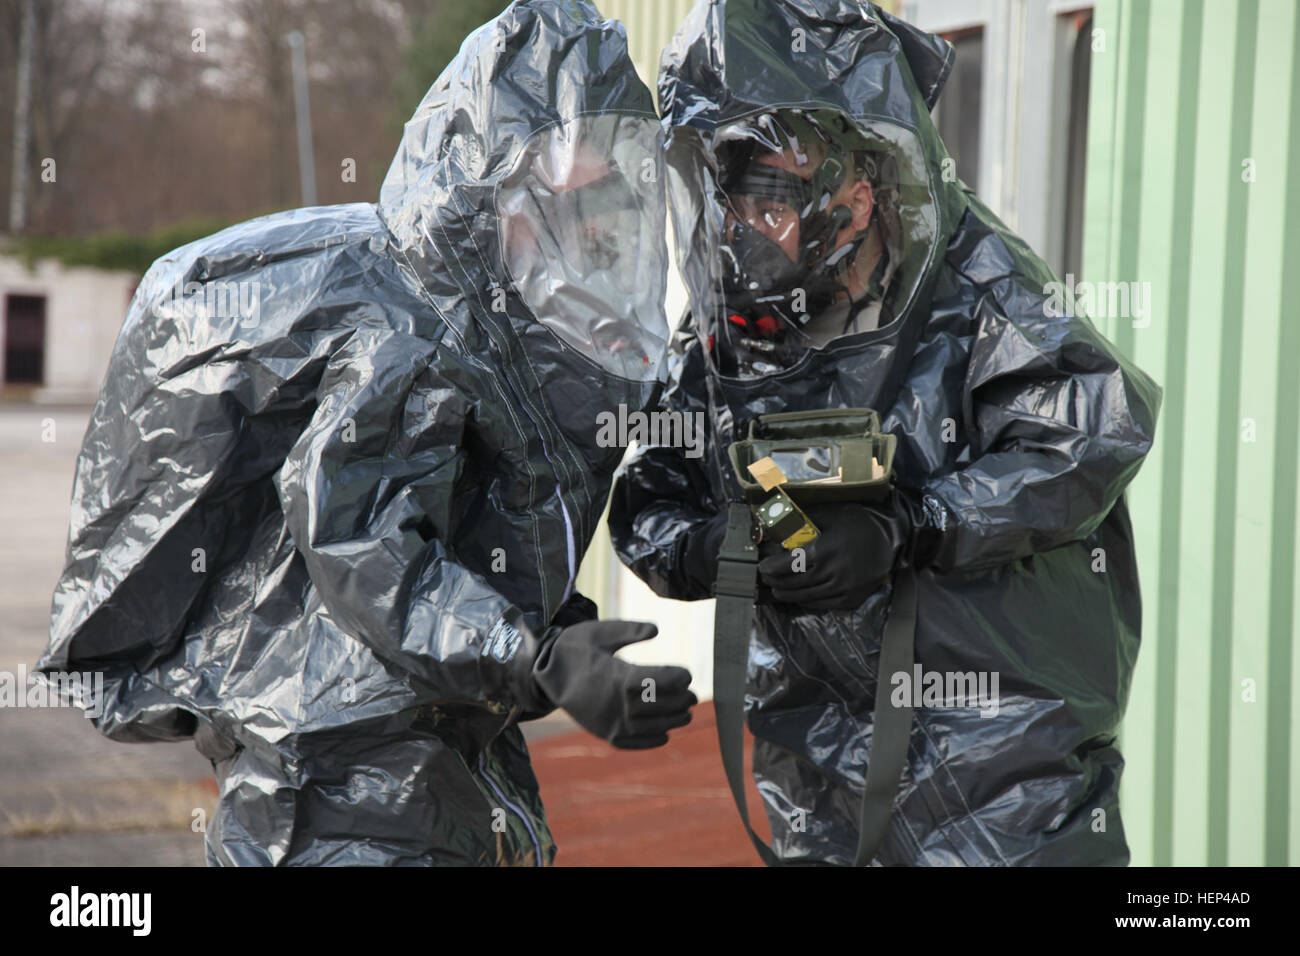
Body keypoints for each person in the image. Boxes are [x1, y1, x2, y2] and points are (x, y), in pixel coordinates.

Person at [38, 0, 695, 867]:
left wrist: (558, 644)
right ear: (498, 177)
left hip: (410, 767)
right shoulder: (411, 333)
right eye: (575, 181)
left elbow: (461, 542)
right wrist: (536, 659)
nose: (599, 219)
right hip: (333, 796)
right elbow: (363, 546)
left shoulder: (490, 335)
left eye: (611, 182)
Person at [609, 0, 1162, 866]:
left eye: (764, 195)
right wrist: (724, 546)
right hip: (819, 777)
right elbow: (651, 497)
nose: (732, 227)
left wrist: (914, 526)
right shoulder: (730, 329)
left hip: (1003, 775)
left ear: (856, 196)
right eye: (718, 189)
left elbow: (1091, 433)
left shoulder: (976, 284)